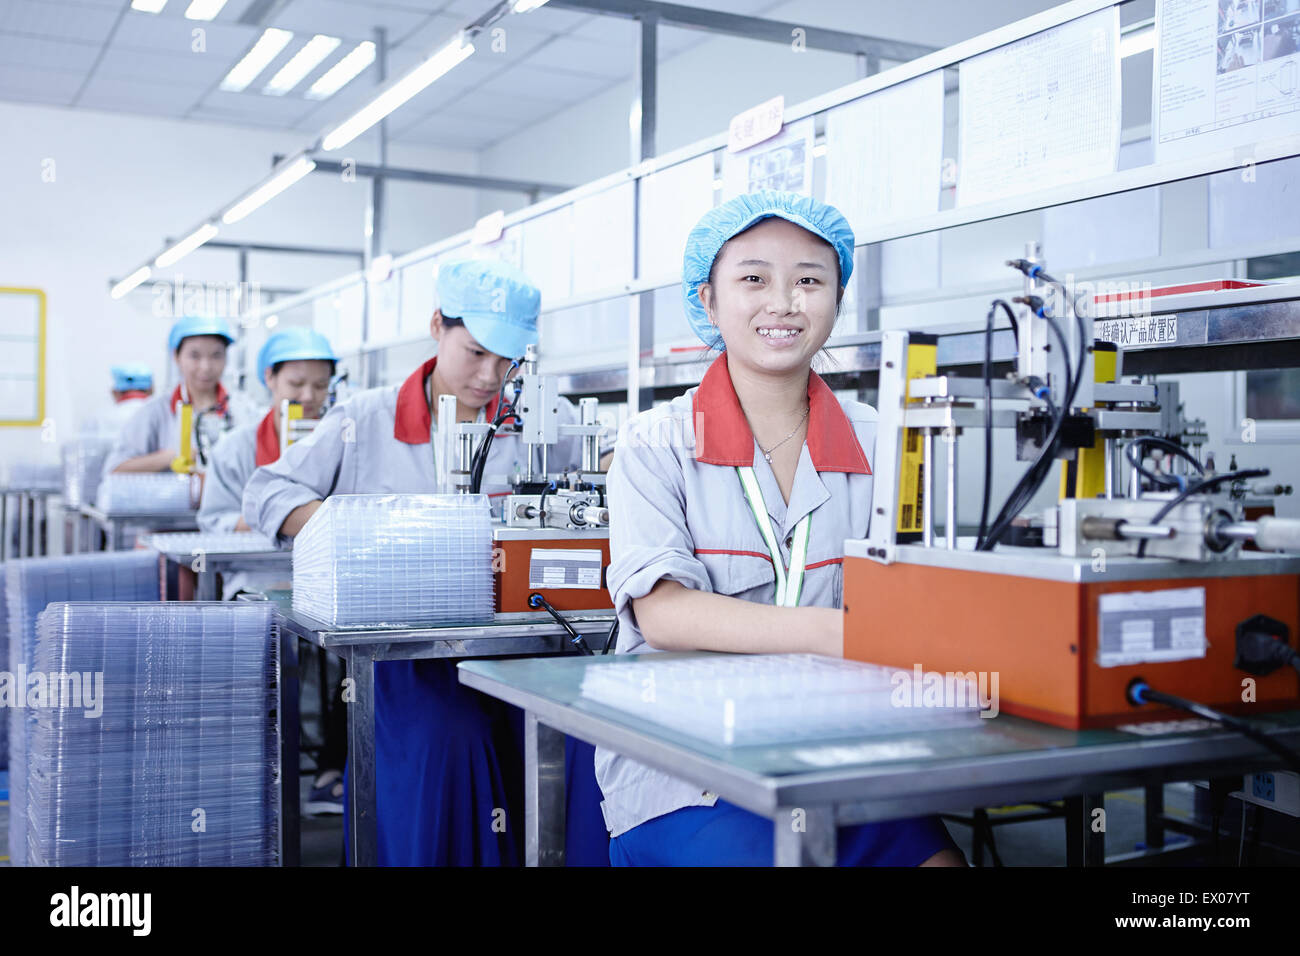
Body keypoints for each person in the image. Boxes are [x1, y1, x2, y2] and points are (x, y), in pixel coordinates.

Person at [595, 190, 967, 867]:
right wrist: (846, 635)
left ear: (835, 298)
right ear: (708, 300)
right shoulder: (656, 443)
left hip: (840, 748)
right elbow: (666, 615)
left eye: (809, 280)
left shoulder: (885, 443)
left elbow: (923, 591)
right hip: (687, 764)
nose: (784, 302)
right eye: (754, 278)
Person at [241, 257, 607, 866]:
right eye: (476, 353)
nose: (491, 376)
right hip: (413, 657)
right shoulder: (366, 418)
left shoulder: (540, 416)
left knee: (584, 743)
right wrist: (363, 536)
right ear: (437, 326)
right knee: (451, 744)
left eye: (508, 360)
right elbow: (267, 493)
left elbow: (602, 470)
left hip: (527, 649)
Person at [104, 315, 237, 475]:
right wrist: (172, 457)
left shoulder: (243, 411)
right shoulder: (154, 413)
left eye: (216, 355)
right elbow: (114, 469)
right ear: (176, 356)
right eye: (195, 355)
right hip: (173, 500)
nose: (206, 366)